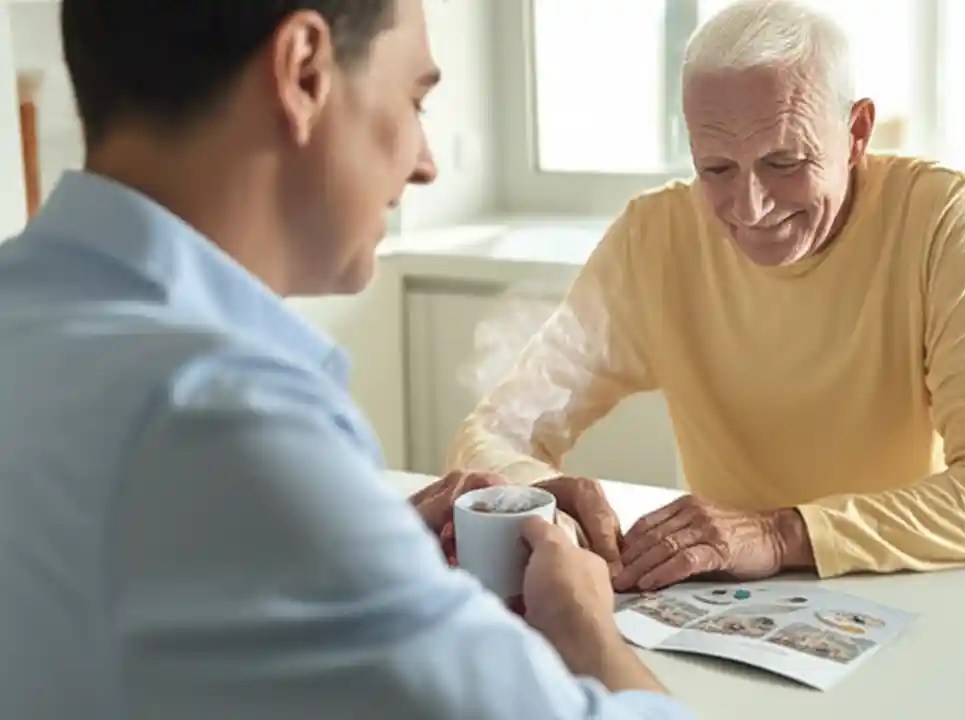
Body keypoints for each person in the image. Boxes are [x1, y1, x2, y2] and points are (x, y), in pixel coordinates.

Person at [0, 1, 688, 718]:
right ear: (303, 73)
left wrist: (361, 547)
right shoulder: (221, 415)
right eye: (416, 99)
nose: (425, 163)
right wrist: (588, 633)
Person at [448, 0, 965, 592]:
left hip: (908, 589)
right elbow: (494, 435)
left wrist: (780, 533)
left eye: (784, 162)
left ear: (857, 132)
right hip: (730, 606)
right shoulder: (655, 237)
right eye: (716, 169)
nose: (749, 208)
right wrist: (547, 501)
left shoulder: (939, 217)